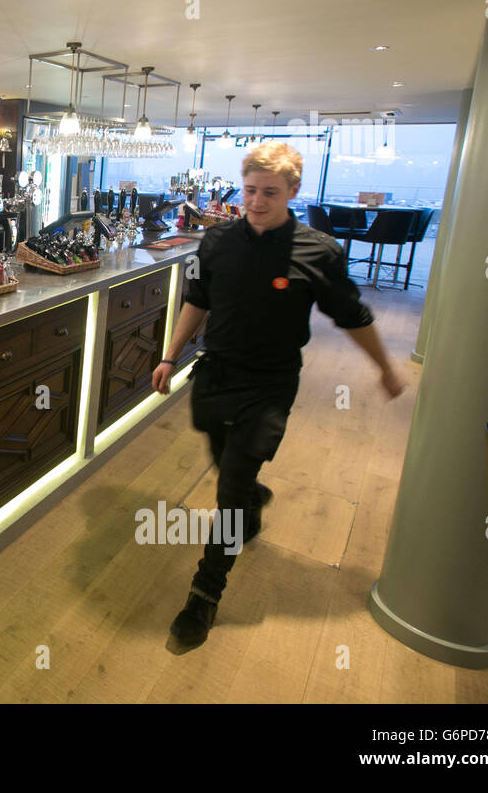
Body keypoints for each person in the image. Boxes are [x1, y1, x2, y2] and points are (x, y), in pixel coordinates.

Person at [151, 141, 406, 652]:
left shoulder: (319, 252)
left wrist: (384, 367)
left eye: (269, 192)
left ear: (293, 191)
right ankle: (249, 499)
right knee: (224, 459)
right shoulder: (217, 241)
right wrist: (169, 355)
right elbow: (196, 300)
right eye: (250, 191)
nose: (257, 201)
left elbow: (352, 316)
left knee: (229, 489)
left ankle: (205, 591)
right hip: (216, 374)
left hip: (269, 384)